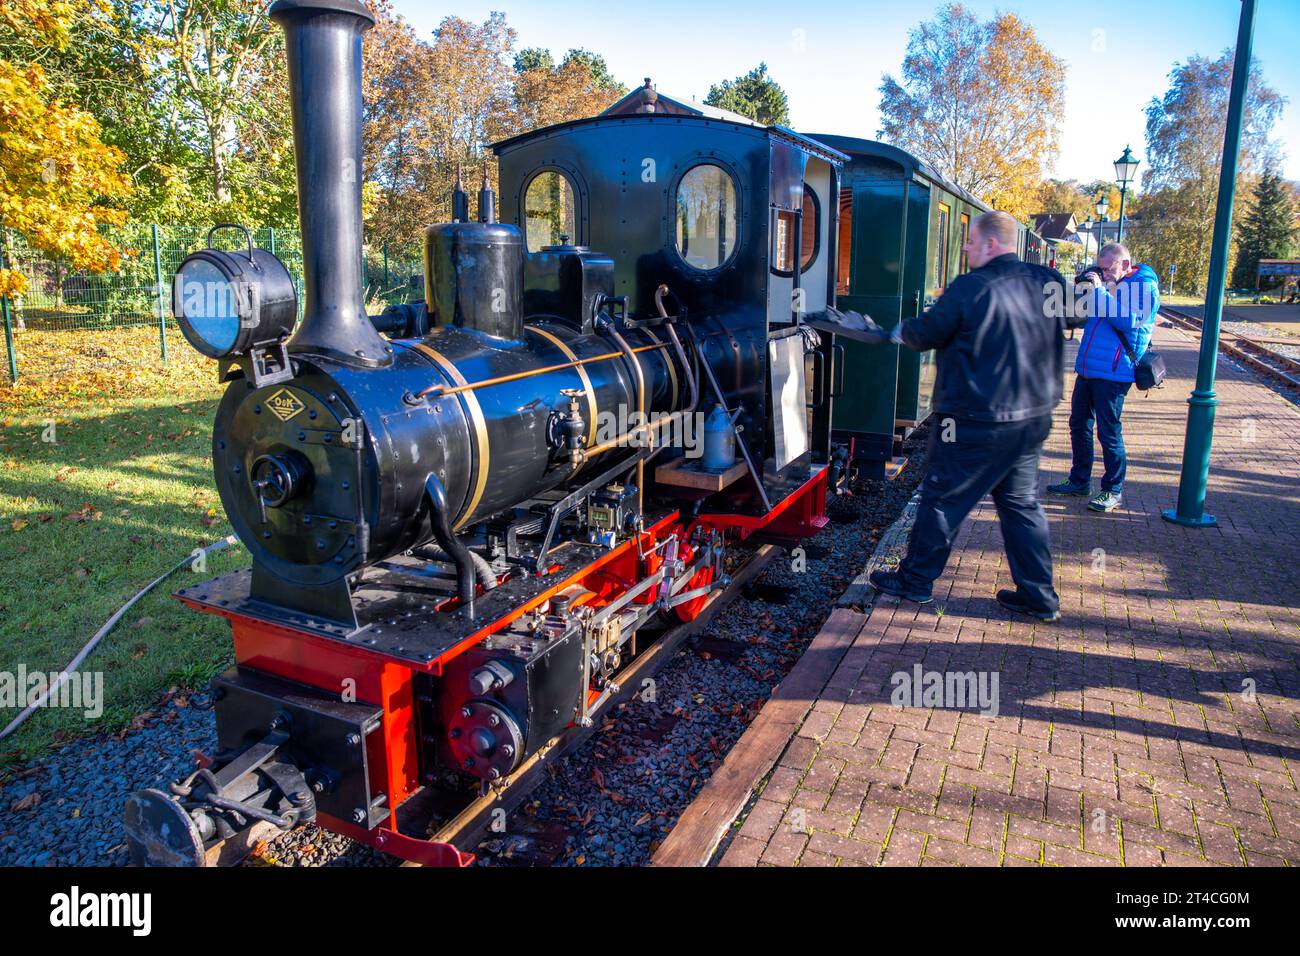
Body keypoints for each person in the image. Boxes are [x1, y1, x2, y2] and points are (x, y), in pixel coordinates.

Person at [828, 210, 1068, 623]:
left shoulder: (972, 287)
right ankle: (1039, 597)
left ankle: (915, 580)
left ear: (991, 243)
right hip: (1032, 418)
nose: (967, 249)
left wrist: (898, 330)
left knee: (942, 500)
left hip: (976, 420)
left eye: (971, 242)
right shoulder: (1048, 282)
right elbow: (1078, 315)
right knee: (1021, 506)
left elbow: (924, 334)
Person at [1047, 242, 1160, 513]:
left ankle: (1112, 490)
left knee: (1108, 432)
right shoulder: (1110, 284)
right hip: (1089, 367)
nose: (1105, 273)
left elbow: (1127, 320)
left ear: (1125, 264)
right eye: (1101, 269)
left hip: (1114, 371)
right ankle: (1079, 481)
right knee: (1079, 424)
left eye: (1108, 269)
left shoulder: (1145, 287)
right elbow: (1086, 315)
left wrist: (1099, 289)